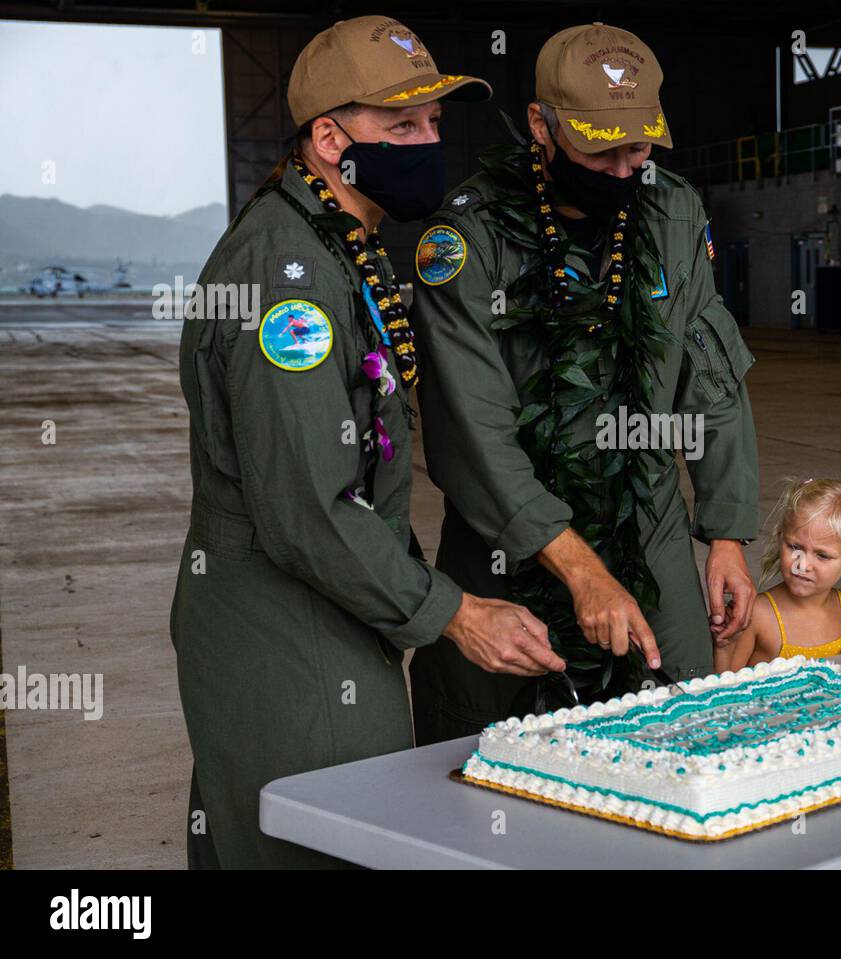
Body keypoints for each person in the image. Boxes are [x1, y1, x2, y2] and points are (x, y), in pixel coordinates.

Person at [170, 15, 563, 869]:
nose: (427, 142)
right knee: (314, 847)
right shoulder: (288, 277)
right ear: (328, 137)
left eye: (431, 124)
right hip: (291, 630)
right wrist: (456, 613)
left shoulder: (337, 242)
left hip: (339, 609)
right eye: (400, 126)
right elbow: (308, 507)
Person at [408, 22, 760, 742]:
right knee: (476, 757)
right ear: (541, 125)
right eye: (604, 148)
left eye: (643, 146)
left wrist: (726, 533)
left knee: (685, 731)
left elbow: (711, 375)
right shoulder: (469, 241)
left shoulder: (674, 213)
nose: (628, 168)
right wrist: (579, 568)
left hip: (650, 530)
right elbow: (472, 433)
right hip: (507, 548)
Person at [714, 478, 841, 670]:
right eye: (795, 547)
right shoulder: (757, 614)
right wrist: (724, 646)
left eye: (822, 555)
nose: (803, 564)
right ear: (780, 539)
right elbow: (724, 684)